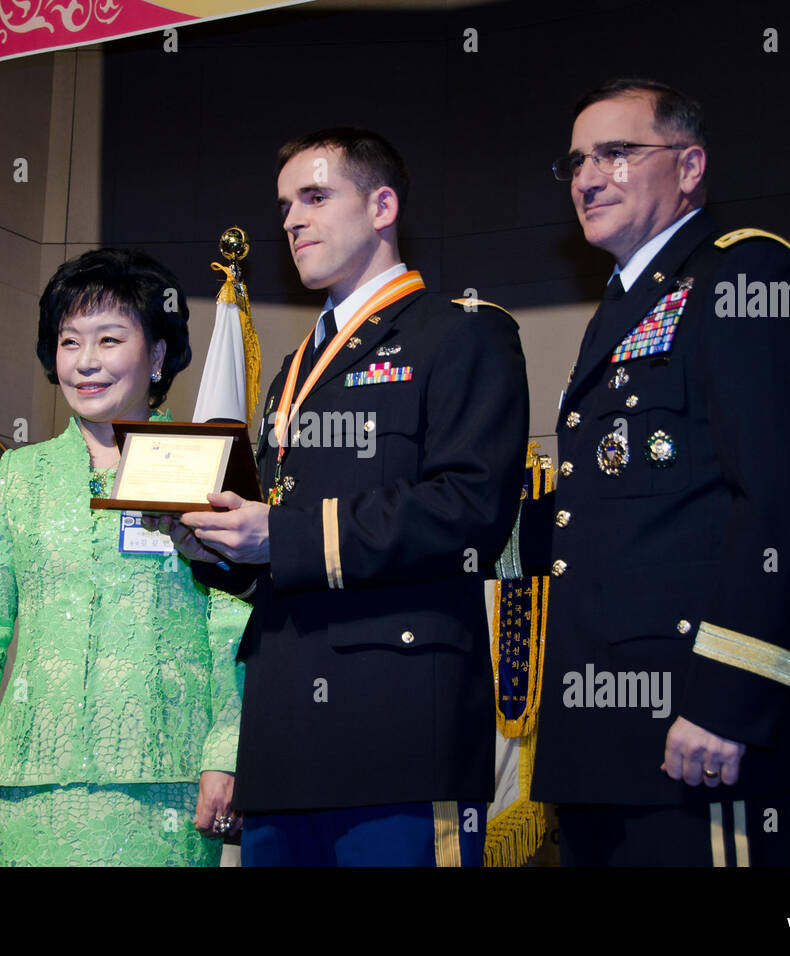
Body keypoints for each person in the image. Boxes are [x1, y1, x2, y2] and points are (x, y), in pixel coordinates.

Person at [167, 128, 529, 866]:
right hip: (280, 729)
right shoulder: (296, 368)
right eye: (284, 205)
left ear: (382, 205)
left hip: (398, 725)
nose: (292, 220)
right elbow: (274, 543)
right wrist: (211, 539)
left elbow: (470, 512)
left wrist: (282, 537)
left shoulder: (462, 334)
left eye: (315, 196)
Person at [517, 78, 790, 865]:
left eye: (617, 153)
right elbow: (599, 517)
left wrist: (729, 703)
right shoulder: (624, 306)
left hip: (697, 728)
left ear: (691, 165)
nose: (589, 177)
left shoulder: (746, 277)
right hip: (601, 734)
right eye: (576, 161)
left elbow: (788, 506)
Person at [0, 248, 249, 866]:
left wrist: (227, 752)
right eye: (69, 341)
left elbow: (233, 627)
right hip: (31, 781)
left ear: (157, 355)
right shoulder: (21, 475)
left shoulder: (202, 465)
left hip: (164, 783)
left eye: (109, 339)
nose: (86, 362)